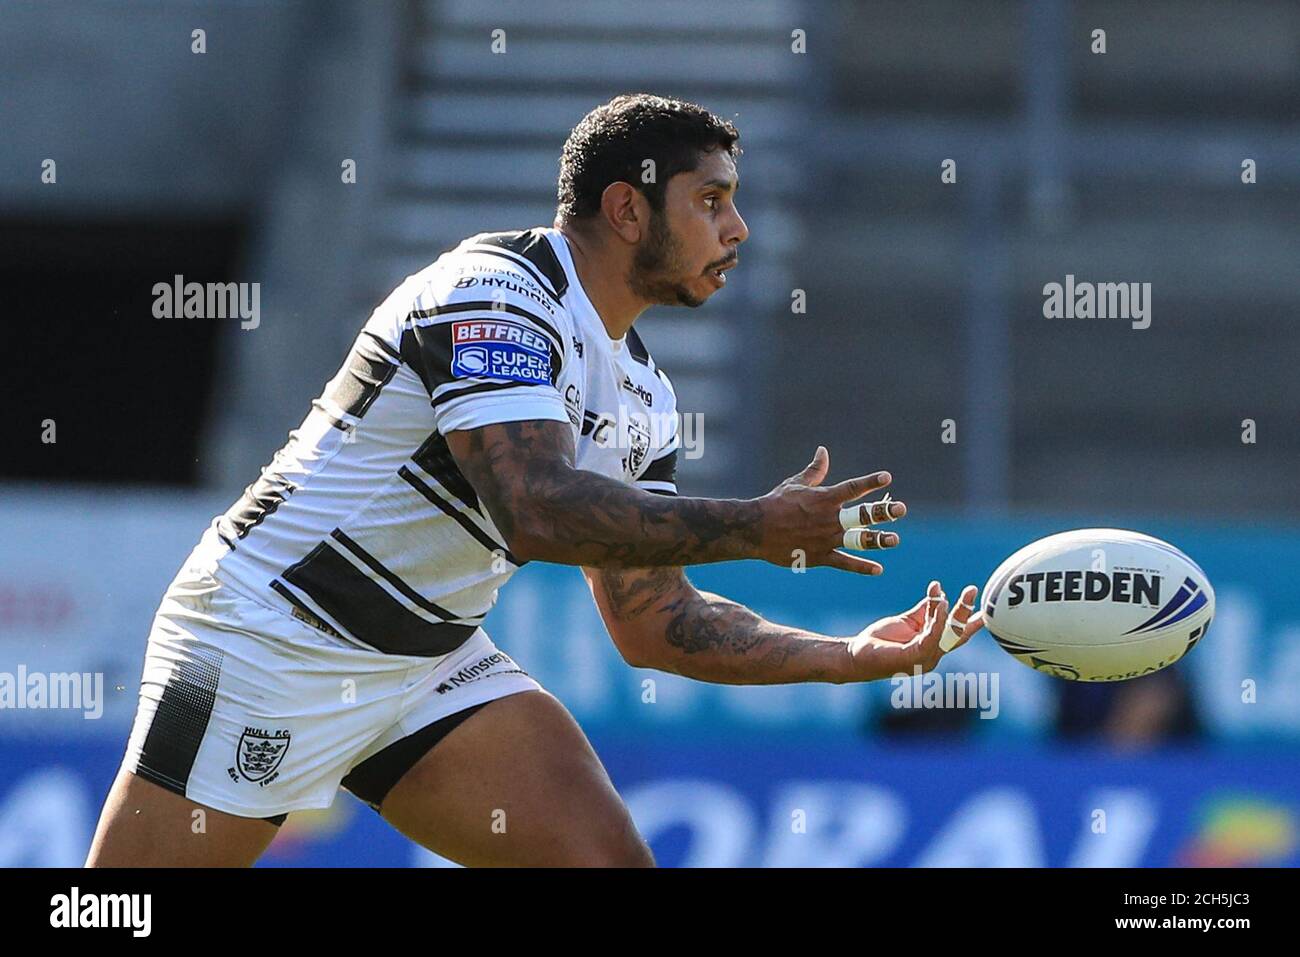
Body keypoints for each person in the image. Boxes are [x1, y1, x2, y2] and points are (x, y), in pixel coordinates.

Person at [87, 93, 984, 868]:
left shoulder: (643, 394)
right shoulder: (494, 293)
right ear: (627, 209)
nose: (737, 228)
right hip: (270, 637)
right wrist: (757, 525)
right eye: (710, 200)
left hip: (422, 661)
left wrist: (849, 658)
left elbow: (656, 623)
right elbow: (535, 508)